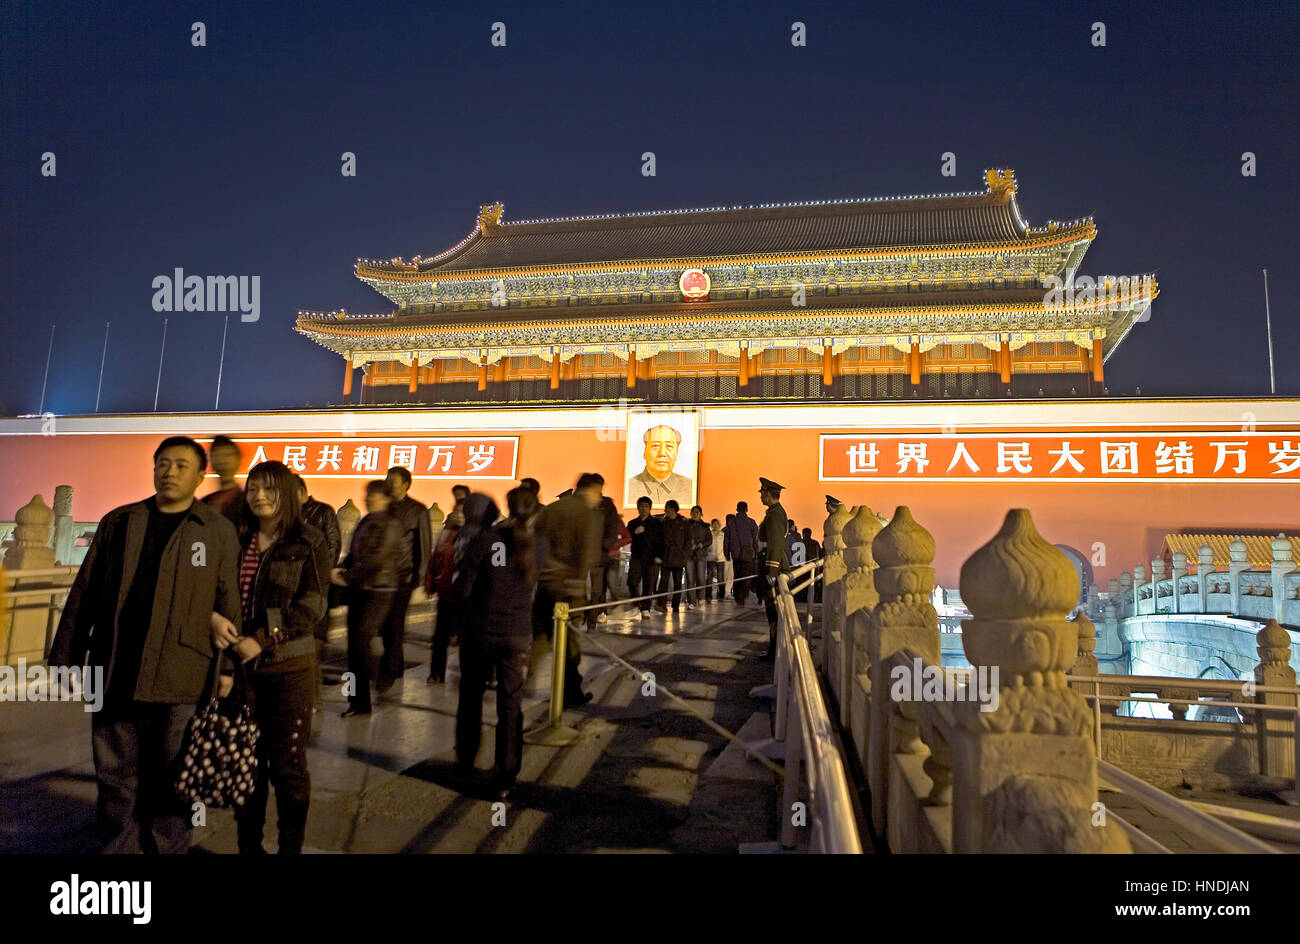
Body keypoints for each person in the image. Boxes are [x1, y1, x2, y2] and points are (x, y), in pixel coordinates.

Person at [49, 436, 242, 854]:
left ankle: (168, 848)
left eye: (181, 466)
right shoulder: (119, 523)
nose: (170, 472)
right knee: (114, 773)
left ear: (199, 476)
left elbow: (228, 601)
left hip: (182, 672)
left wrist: (227, 669)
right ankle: (119, 848)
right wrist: (66, 655)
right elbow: (86, 591)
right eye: (163, 464)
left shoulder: (216, 531)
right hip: (116, 665)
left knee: (173, 776)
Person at [221, 460, 329, 854]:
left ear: (286, 493)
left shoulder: (308, 541)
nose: (259, 497)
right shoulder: (236, 538)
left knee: (288, 768)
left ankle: (289, 849)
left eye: (269, 489)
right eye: (253, 489)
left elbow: (312, 606)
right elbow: (219, 595)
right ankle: (249, 848)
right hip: (241, 672)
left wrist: (263, 639)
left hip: (289, 669)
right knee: (246, 766)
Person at [454, 488, 542, 800]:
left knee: (471, 696)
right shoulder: (539, 545)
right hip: (517, 635)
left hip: (480, 632)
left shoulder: (485, 540)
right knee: (510, 704)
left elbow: (463, 588)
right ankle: (505, 777)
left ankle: (466, 759)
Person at [333, 480, 404, 716]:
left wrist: (346, 576)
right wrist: (342, 569)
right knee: (354, 646)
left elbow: (377, 558)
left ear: (385, 498)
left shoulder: (391, 523)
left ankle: (363, 700)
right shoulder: (366, 520)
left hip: (379, 589)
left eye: (373, 495)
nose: (368, 499)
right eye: (368, 495)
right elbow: (355, 552)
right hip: (360, 588)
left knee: (362, 642)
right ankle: (356, 701)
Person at [531, 473, 603, 705]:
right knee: (569, 640)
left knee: (541, 633)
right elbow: (586, 551)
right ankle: (570, 692)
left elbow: (535, 544)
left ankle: (526, 679)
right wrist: (579, 582)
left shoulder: (551, 510)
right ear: (591, 490)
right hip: (569, 586)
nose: (599, 499)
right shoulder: (585, 513)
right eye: (598, 493)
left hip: (545, 583)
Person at [379, 466, 432, 691]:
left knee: (394, 624)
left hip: (403, 578)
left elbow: (424, 547)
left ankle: (389, 671)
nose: (389, 484)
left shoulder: (418, 510)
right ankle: (396, 665)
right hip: (380, 577)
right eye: (387, 480)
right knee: (385, 625)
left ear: (406, 485)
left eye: (393, 481)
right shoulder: (382, 508)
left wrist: (419, 582)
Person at [295, 475, 340, 711]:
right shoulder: (288, 515)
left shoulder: (323, 512)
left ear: (302, 491)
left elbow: (332, 545)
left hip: (317, 587)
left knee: (313, 645)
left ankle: (314, 700)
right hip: (294, 587)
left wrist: (320, 578)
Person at [425, 505, 464, 684]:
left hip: (467, 597)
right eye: (457, 511)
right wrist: (430, 584)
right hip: (446, 593)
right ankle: (436, 673)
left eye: (464, 511)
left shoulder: (480, 536)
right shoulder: (445, 535)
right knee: (440, 637)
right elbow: (435, 561)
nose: (460, 515)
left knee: (467, 640)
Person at [757, 477, 790, 661]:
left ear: (768, 494)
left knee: (774, 612)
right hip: (771, 566)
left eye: (762, 492)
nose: (761, 495)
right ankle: (774, 648)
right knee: (772, 612)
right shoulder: (774, 512)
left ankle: (775, 650)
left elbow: (776, 543)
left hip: (773, 570)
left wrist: (771, 572)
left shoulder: (776, 514)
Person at [586, 496, 630, 629]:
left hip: (613, 557)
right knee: (597, 590)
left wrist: (615, 543)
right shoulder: (594, 521)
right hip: (597, 558)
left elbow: (627, 537)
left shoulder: (616, 521)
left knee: (611, 583)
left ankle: (616, 607)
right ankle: (596, 618)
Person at [625, 425, 693, 508]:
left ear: (677, 453)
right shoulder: (629, 488)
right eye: (655, 446)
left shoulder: (689, 487)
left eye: (669, 446)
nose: (662, 453)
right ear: (644, 452)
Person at [627, 496, 662, 619]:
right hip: (636, 556)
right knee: (632, 581)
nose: (643, 509)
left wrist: (658, 555)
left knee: (649, 584)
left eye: (646, 506)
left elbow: (660, 541)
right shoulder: (632, 523)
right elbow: (627, 538)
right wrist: (634, 533)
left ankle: (646, 608)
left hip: (651, 558)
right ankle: (636, 604)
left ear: (650, 508)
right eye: (641, 506)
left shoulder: (656, 523)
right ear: (637, 508)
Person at [203, 434, 247, 527]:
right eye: (216, 455)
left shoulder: (247, 502)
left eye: (227, 455)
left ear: (238, 459)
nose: (221, 460)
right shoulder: (203, 503)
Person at [656, 500, 690, 616]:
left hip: (679, 558)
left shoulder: (683, 524)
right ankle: (662, 605)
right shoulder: (663, 523)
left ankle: (675, 606)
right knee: (663, 582)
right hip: (666, 557)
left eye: (667, 508)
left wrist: (685, 554)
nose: (665, 510)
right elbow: (659, 541)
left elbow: (688, 541)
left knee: (677, 584)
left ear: (673, 509)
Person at [728, 500, 760, 605]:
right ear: (747, 509)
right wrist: (756, 552)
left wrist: (726, 552)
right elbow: (756, 540)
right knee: (746, 576)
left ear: (737, 509)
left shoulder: (732, 522)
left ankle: (738, 597)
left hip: (736, 554)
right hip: (748, 554)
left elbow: (727, 539)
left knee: (737, 576)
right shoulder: (751, 522)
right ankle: (743, 595)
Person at [686, 505, 711, 608]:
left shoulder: (705, 526)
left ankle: (701, 597)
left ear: (701, 514)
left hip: (701, 555)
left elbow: (710, 540)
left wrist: (702, 544)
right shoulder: (687, 526)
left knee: (701, 578)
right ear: (691, 514)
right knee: (690, 578)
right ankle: (691, 601)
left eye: (697, 512)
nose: (695, 514)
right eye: (693, 512)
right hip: (689, 555)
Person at [706, 518, 726, 601]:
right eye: (714, 524)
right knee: (709, 578)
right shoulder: (709, 535)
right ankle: (708, 595)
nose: (716, 526)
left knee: (720, 577)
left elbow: (725, 546)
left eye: (717, 524)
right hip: (710, 558)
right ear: (711, 525)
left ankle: (721, 595)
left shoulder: (723, 535)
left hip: (721, 558)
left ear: (719, 525)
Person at [722, 513, 736, 598]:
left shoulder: (735, 531)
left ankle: (727, 592)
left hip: (732, 556)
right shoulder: (724, 531)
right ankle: (725, 592)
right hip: (725, 555)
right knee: (725, 575)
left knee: (731, 575)